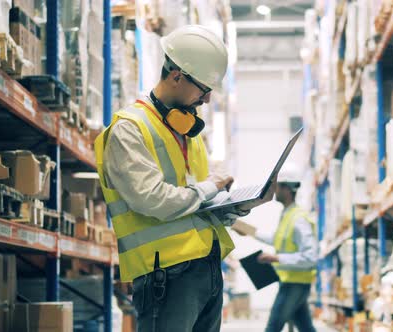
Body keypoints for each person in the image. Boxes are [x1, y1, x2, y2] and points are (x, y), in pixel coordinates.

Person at [94, 25, 273, 332]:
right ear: (176, 75)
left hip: (206, 268)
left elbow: (198, 207)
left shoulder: (186, 130)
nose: (205, 99)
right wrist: (209, 187)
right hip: (166, 274)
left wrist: (238, 206)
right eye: (203, 89)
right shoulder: (130, 129)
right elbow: (153, 199)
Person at [234, 165, 318, 332]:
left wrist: (276, 258)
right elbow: (278, 239)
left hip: (294, 282)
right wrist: (249, 231)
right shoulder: (288, 214)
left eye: (277, 186)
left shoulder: (298, 219)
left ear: (287, 189)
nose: (274, 190)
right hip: (292, 281)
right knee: (306, 327)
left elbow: (311, 257)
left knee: (273, 327)